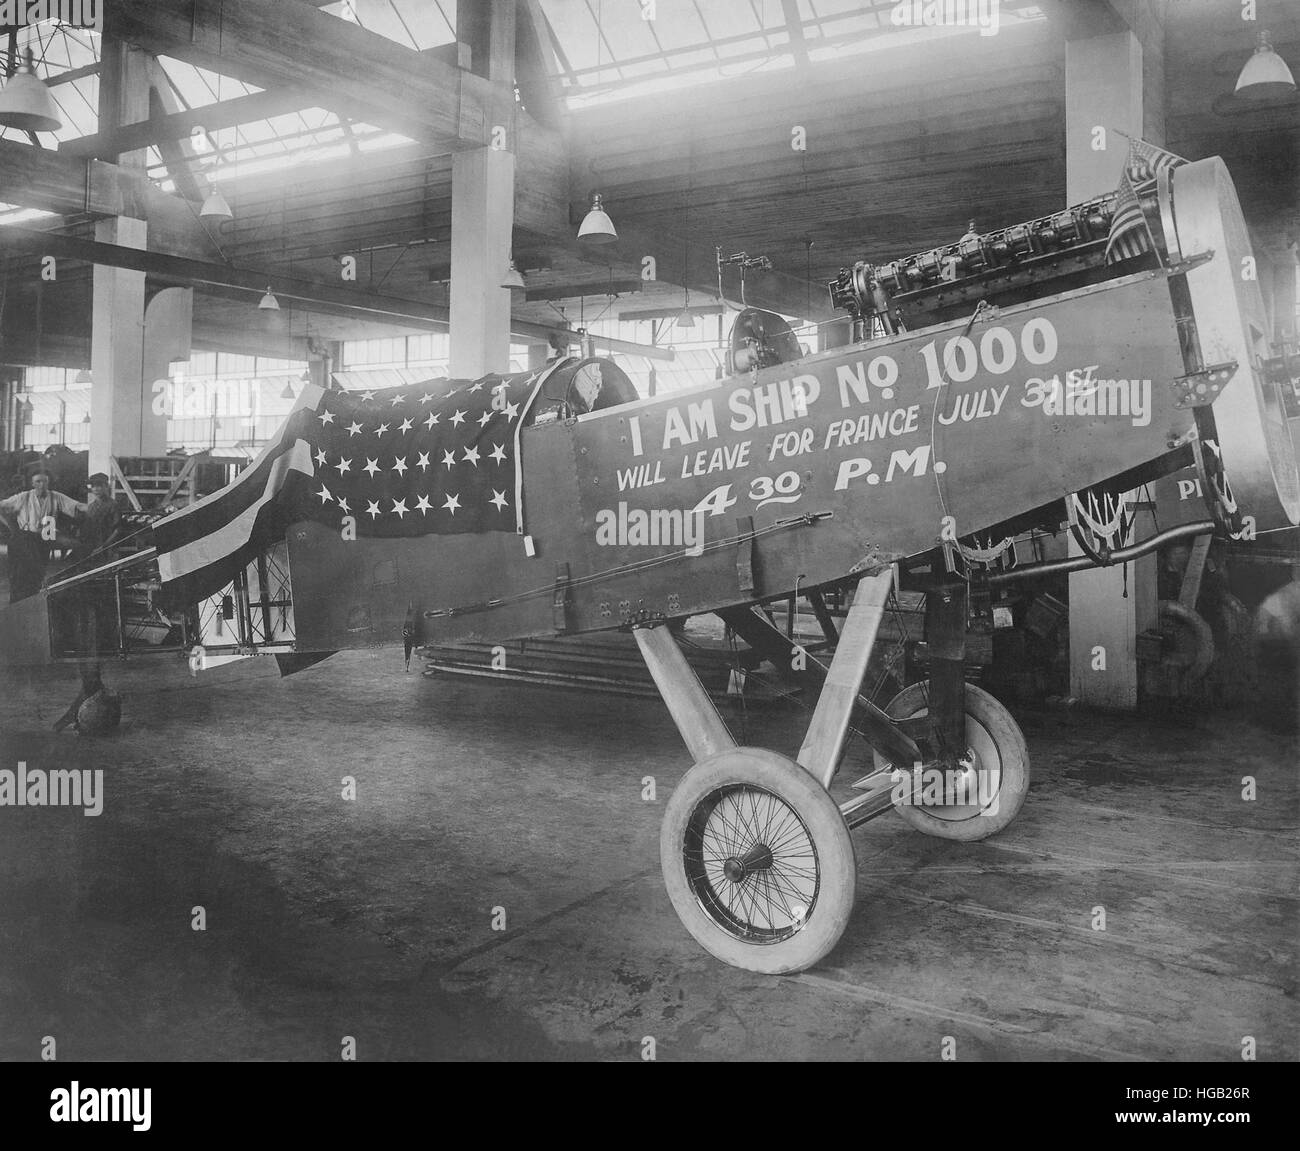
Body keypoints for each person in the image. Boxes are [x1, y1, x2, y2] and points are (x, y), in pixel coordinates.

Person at [0, 469, 87, 602]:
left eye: (44, 481)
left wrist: (93, 506)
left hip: (45, 539)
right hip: (25, 539)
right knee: (20, 574)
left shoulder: (56, 496)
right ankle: (17, 604)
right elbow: (2, 506)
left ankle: (33, 602)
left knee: (38, 574)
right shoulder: (24, 497)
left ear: (48, 482)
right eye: (38, 481)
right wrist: (11, 527)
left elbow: (76, 505)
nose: (41, 485)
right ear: (32, 483)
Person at [75, 472, 123, 562]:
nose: (96, 489)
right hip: (92, 547)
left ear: (106, 487)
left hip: (108, 547)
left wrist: (104, 547)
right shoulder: (91, 506)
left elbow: (117, 530)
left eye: (99, 486)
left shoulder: (113, 505)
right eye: (93, 486)